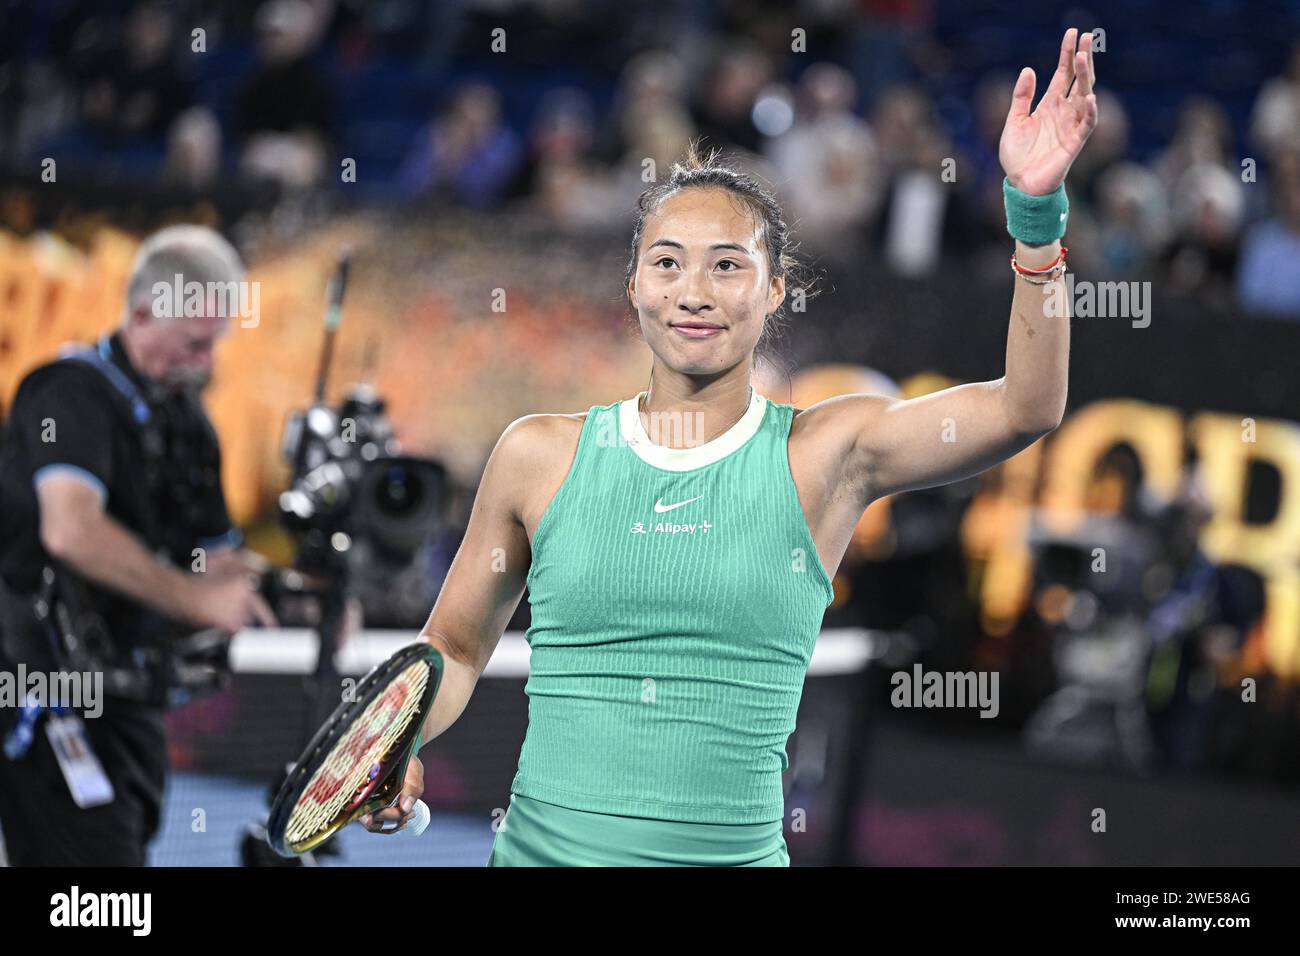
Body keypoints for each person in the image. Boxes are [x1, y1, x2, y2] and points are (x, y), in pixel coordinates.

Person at [369, 28, 1099, 865]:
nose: (694, 292)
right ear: (634, 285)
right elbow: (454, 649)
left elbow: (1025, 408)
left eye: (727, 266)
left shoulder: (831, 451)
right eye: (668, 263)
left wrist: (1035, 220)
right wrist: (399, 738)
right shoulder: (539, 454)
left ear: (776, 290)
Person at [0, 225, 276, 866]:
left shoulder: (189, 425)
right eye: (194, 343)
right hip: (46, 703)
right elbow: (69, 530)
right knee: (99, 900)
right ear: (146, 312)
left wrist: (300, 597)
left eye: (214, 345)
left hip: (131, 709)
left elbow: (219, 558)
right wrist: (195, 600)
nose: (206, 362)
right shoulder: (67, 392)